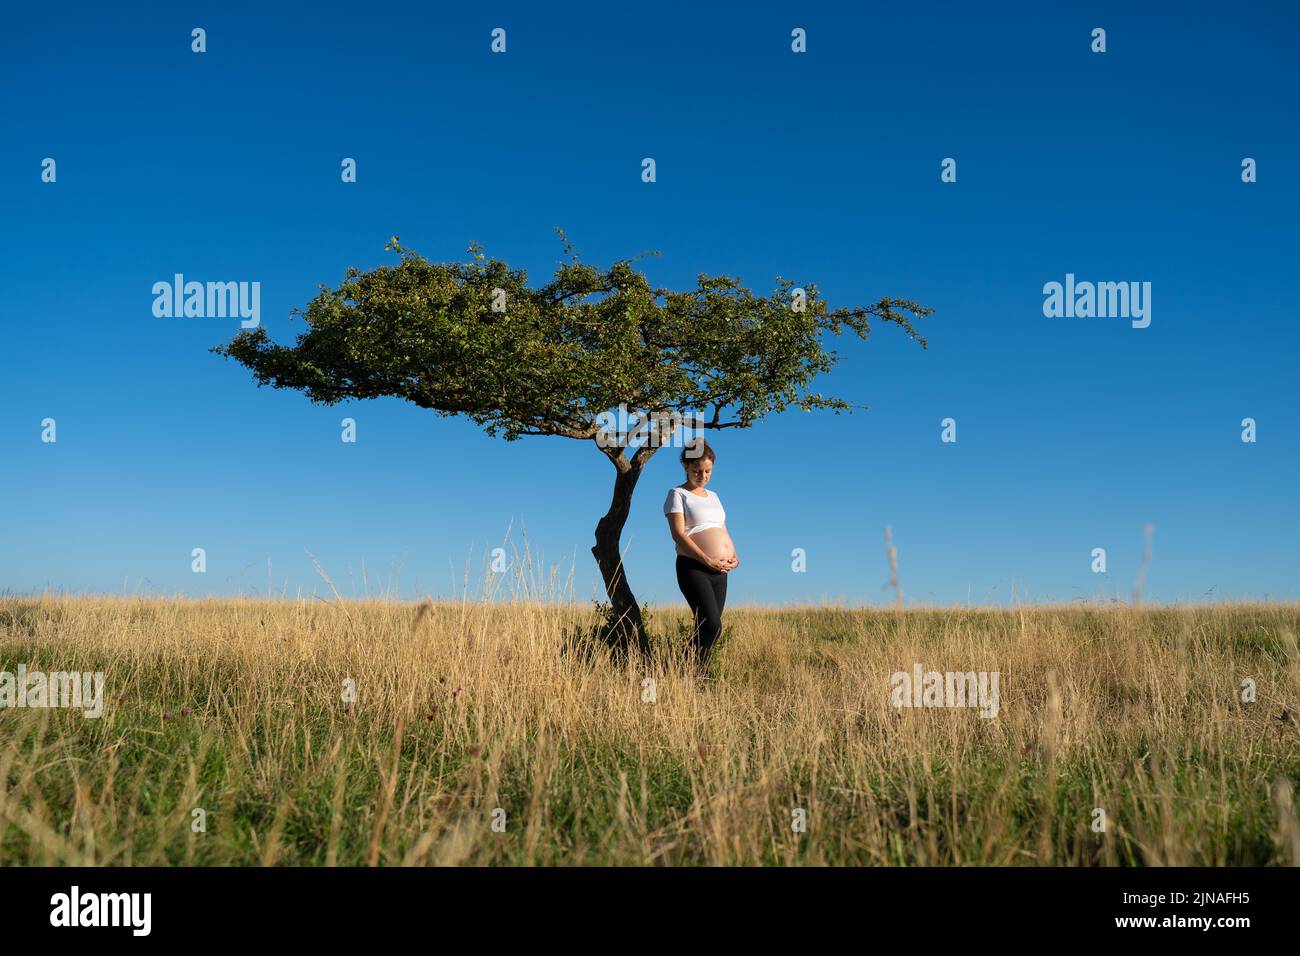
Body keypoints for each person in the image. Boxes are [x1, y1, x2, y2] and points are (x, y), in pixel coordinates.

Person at [664, 439, 739, 673]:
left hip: (720, 569)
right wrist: (706, 559)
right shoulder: (677, 494)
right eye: (697, 470)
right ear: (686, 466)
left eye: (708, 471)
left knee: (706, 629)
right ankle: (677, 668)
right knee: (712, 626)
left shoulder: (714, 497)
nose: (703, 475)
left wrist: (734, 554)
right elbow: (678, 534)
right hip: (693, 566)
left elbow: (722, 529)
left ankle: (696, 678)